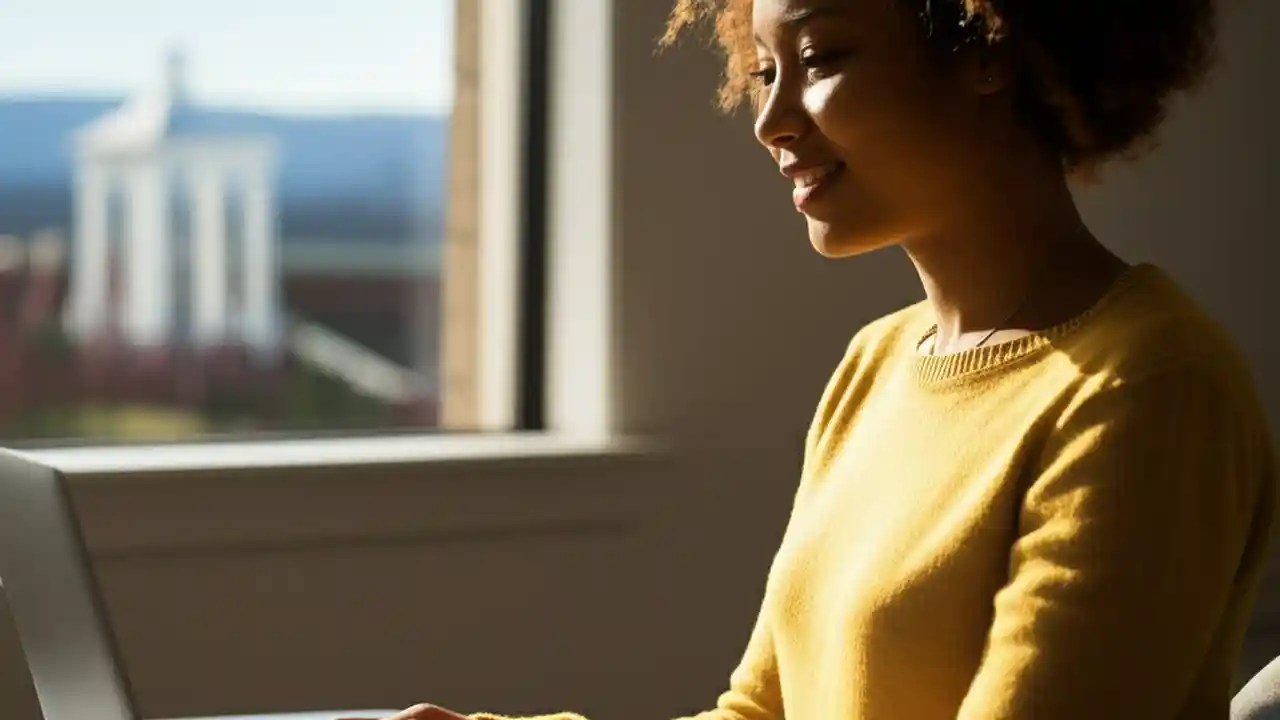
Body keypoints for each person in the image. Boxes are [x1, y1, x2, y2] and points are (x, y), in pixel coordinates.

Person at [352, 0, 1277, 717]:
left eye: (823, 58)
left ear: (988, 43)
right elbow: (760, 715)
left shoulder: (1147, 388)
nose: (772, 121)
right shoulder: (875, 366)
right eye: (763, 72)